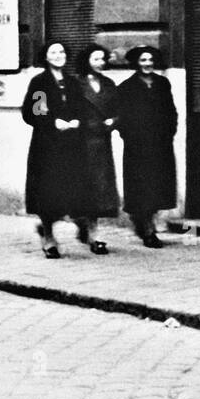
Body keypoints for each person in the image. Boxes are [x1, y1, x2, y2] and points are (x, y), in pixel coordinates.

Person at [21, 41, 88, 258]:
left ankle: (78, 224)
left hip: (72, 146)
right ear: (46, 57)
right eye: (53, 52)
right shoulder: (40, 82)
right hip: (47, 147)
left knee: (73, 188)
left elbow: (83, 108)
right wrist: (53, 123)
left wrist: (79, 121)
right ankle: (48, 236)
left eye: (62, 52)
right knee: (47, 192)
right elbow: (34, 113)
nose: (59, 55)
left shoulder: (73, 82)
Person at [117, 46, 177, 248]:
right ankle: (147, 230)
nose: (147, 63)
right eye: (143, 60)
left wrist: (169, 133)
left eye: (150, 59)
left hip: (160, 145)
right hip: (137, 147)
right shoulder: (127, 87)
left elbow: (171, 111)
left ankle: (149, 222)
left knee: (159, 184)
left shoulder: (162, 83)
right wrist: (130, 137)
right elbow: (122, 117)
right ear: (136, 63)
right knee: (141, 187)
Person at [71, 44, 121, 254]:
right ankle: (85, 227)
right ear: (86, 61)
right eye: (96, 59)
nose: (100, 63)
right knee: (85, 188)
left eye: (102, 59)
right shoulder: (75, 84)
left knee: (101, 190)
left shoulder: (109, 83)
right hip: (80, 142)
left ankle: (92, 232)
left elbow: (120, 108)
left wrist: (114, 121)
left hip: (102, 142)